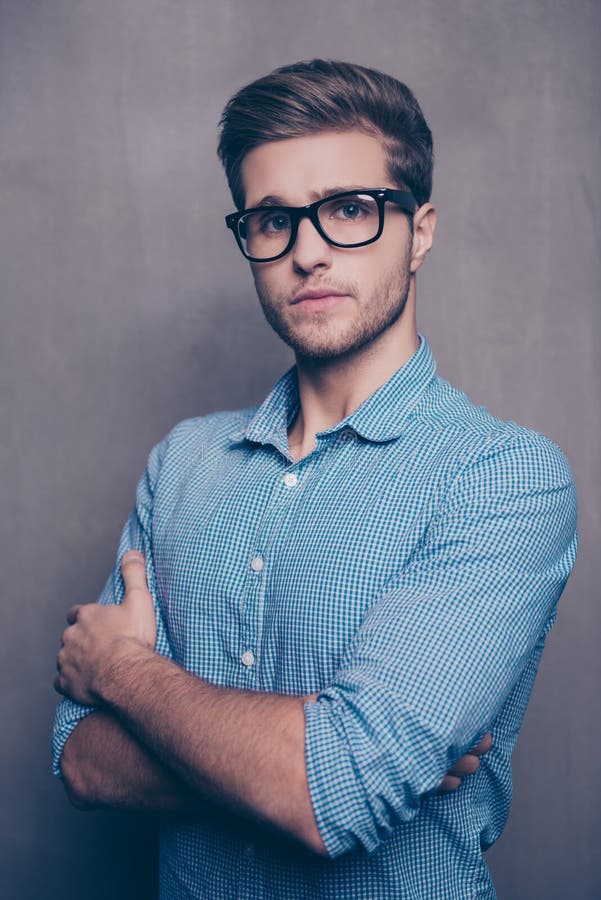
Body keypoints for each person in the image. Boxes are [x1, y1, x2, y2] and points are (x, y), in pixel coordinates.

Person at [52, 59, 578, 899]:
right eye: (272, 220)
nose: (306, 252)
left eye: (348, 210)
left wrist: (120, 672)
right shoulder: (182, 463)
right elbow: (83, 763)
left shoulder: (501, 478)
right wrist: (333, 759)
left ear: (420, 231)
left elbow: (332, 791)